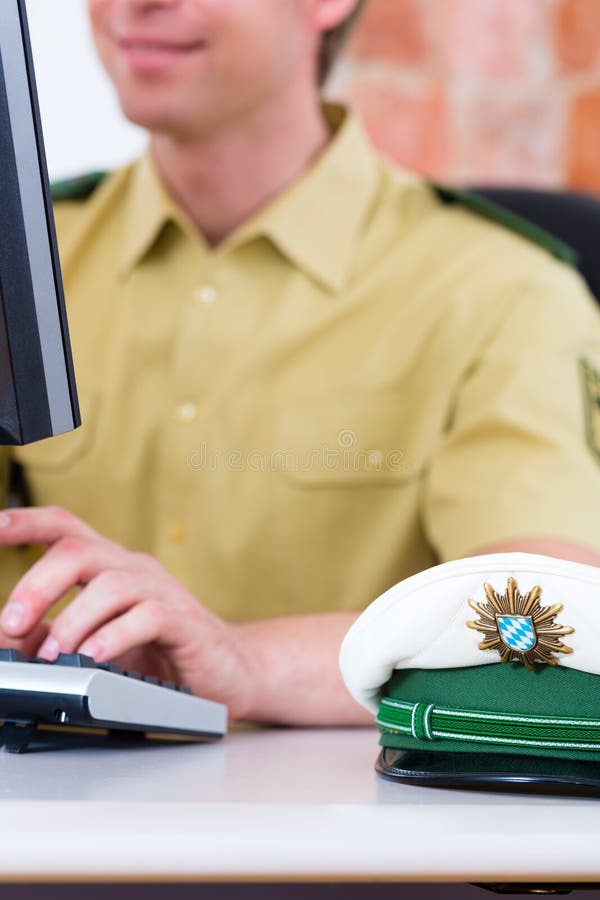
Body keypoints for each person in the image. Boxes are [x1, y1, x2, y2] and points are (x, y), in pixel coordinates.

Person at [0, 0, 599, 726]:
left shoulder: (502, 291)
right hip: (43, 827)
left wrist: (244, 660)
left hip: (344, 831)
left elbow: (545, 621)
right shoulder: (22, 264)